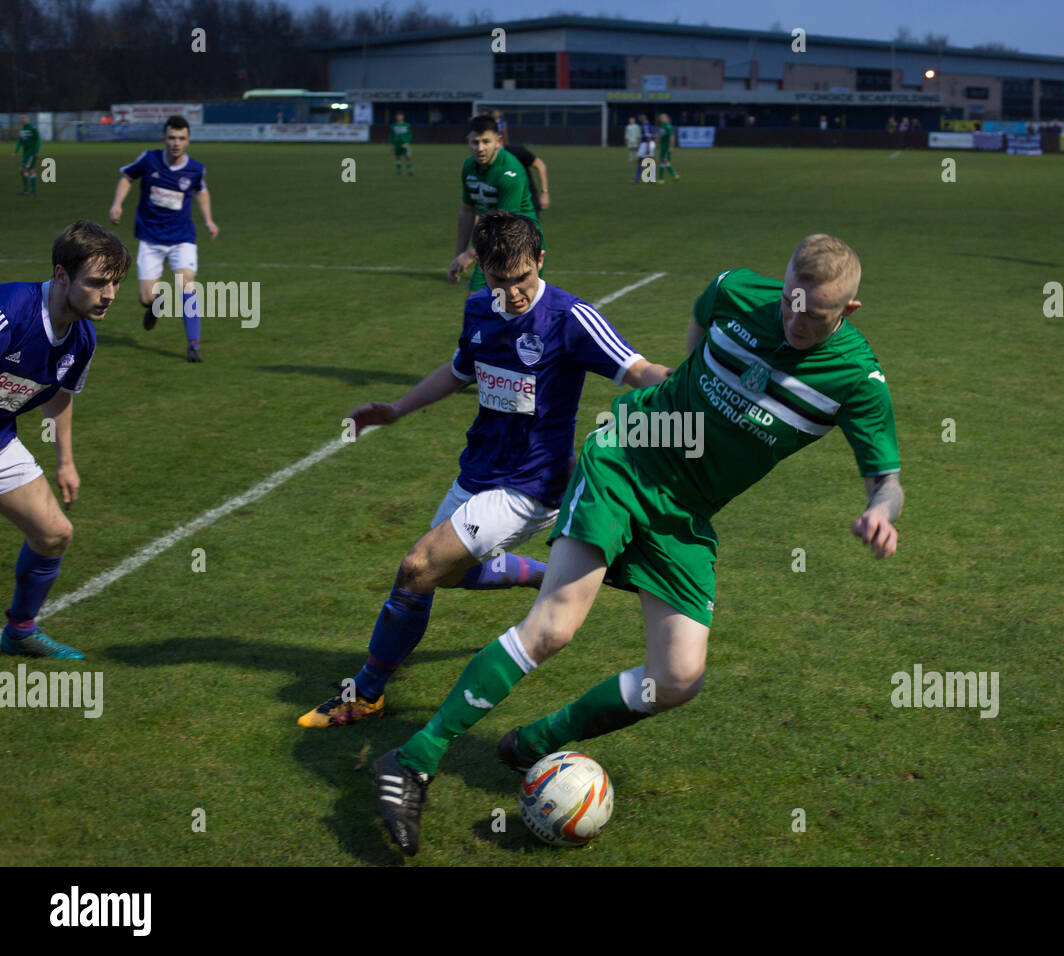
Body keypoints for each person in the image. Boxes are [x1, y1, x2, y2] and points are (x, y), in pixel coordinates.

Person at [373, 233, 904, 855]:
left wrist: (878, 510)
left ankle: (536, 741)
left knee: (678, 678)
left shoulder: (858, 381)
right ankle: (412, 759)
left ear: (851, 310)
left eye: (816, 315)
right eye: (791, 301)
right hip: (627, 459)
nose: (795, 320)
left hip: (686, 513)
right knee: (554, 628)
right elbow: (698, 327)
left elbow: (888, 481)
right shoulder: (735, 290)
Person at [302, 212, 670, 728]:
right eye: (501, 282)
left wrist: (686, 385)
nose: (514, 293)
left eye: (522, 279)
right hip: (478, 471)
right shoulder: (479, 308)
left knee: (416, 567)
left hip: (534, 486)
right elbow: (458, 372)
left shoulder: (571, 318)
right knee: (447, 577)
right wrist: (396, 409)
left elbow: (637, 369)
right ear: (485, 275)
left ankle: (364, 693)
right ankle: (545, 574)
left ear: (540, 260)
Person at [0, 221, 130, 661]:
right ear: (61, 276)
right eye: (96, 282)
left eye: (115, 282)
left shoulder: (82, 338)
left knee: (53, 534)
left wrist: (66, 462)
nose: (109, 294)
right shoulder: (11, 309)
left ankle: (19, 632)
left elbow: (58, 395)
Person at [109, 115, 218, 362]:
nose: (176, 143)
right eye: (171, 138)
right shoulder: (149, 159)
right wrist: (117, 205)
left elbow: (201, 191)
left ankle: (193, 345)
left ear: (188, 141)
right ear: (164, 138)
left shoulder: (195, 169)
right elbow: (127, 177)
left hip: (182, 238)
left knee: (186, 282)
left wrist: (209, 220)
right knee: (145, 297)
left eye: (181, 138)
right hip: (151, 238)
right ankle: (156, 305)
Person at [448, 115, 542, 293]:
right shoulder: (469, 167)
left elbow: (506, 225)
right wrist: (459, 255)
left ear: (498, 141)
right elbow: (467, 211)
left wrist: (469, 255)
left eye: (486, 142)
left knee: (519, 308)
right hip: (492, 243)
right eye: (475, 142)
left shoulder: (509, 172)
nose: (480, 148)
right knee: (477, 303)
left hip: (522, 244)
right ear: (468, 141)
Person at [503, 144, 549, 212]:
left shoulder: (517, 152)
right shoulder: (485, 159)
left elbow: (541, 165)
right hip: (505, 203)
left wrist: (545, 192)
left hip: (528, 202)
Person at [12, 114, 40, 197]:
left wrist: (37, 151)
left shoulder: (32, 128)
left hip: (31, 153)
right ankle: (31, 191)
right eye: (21, 118)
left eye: (24, 118)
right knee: (30, 170)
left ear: (28, 119)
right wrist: (15, 152)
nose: (22, 120)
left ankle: (27, 190)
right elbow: (20, 141)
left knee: (22, 169)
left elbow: (38, 139)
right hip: (25, 153)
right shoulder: (21, 129)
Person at [655, 112, 680, 182]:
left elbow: (672, 137)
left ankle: (661, 179)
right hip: (662, 147)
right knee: (665, 162)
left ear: (667, 118)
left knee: (662, 162)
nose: (661, 119)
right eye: (661, 118)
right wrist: (657, 141)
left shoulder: (668, 126)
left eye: (663, 117)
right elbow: (660, 136)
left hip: (666, 147)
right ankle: (674, 175)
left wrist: (671, 146)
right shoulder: (662, 126)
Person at [391, 111, 413, 175]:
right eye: (398, 116)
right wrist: (392, 144)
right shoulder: (393, 125)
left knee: (407, 157)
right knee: (397, 157)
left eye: (400, 116)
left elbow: (409, 135)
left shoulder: (407, 125)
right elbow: (391, 135)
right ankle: (398, 171)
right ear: (396, 117)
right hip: (397, 144)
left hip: (404, 143)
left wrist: (406, 142)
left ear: (403, 117)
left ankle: (410, 170)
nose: (399, 117)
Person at [625, 115, 641, 183]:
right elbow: (626, 133)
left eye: (632, 120)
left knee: (635, 149)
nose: (631, 121)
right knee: (630, 149)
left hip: (635, 139)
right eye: (630, 120)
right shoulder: (628, 126)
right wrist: (626, 138)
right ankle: (631, 157)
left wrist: (638, 138)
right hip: (630, 139)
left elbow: (638, 132)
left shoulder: (636, 126)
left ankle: (636, 157)